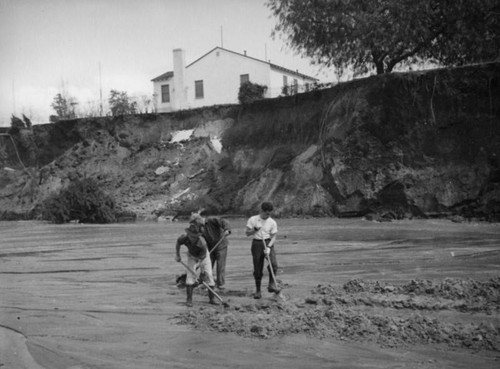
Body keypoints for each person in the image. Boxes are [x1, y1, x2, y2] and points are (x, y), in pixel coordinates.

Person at [175, 223, 218, 307]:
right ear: (188, 234)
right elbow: (178, 243)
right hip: (191, 255)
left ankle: (212, 299)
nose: (193, 238)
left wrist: (202, 274)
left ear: (198, 236)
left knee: (209, 275)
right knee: (190, 276)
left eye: (195, 237)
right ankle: (189, 300)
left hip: (204, 257)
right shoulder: (184, 238)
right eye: (191, 236)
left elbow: (201, 260)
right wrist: (178, 255)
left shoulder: (202, 243)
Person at [245, 202, 279, 299]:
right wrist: (255, 229)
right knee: (257, 268)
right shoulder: (253, 219)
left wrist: (268, 247)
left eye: (269, 214)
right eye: (266, 213)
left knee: (274, 264)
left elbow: (274, 237)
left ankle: (271, 284)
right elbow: (247, 233)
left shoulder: (272, 222)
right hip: (257, 243)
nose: (267, 215)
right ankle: (258, 290)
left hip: (268, 242)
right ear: (262, 211)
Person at [190, 213, 231, 290]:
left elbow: (224, 222)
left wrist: (227, 230)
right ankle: (207, 282)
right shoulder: (198, 228)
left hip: (221, 245)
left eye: (195, 222)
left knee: (220, 265)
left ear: (198, 219)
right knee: (207, 265)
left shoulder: (211, 220)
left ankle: (220, 284)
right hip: (210, 247)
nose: (194, 224)